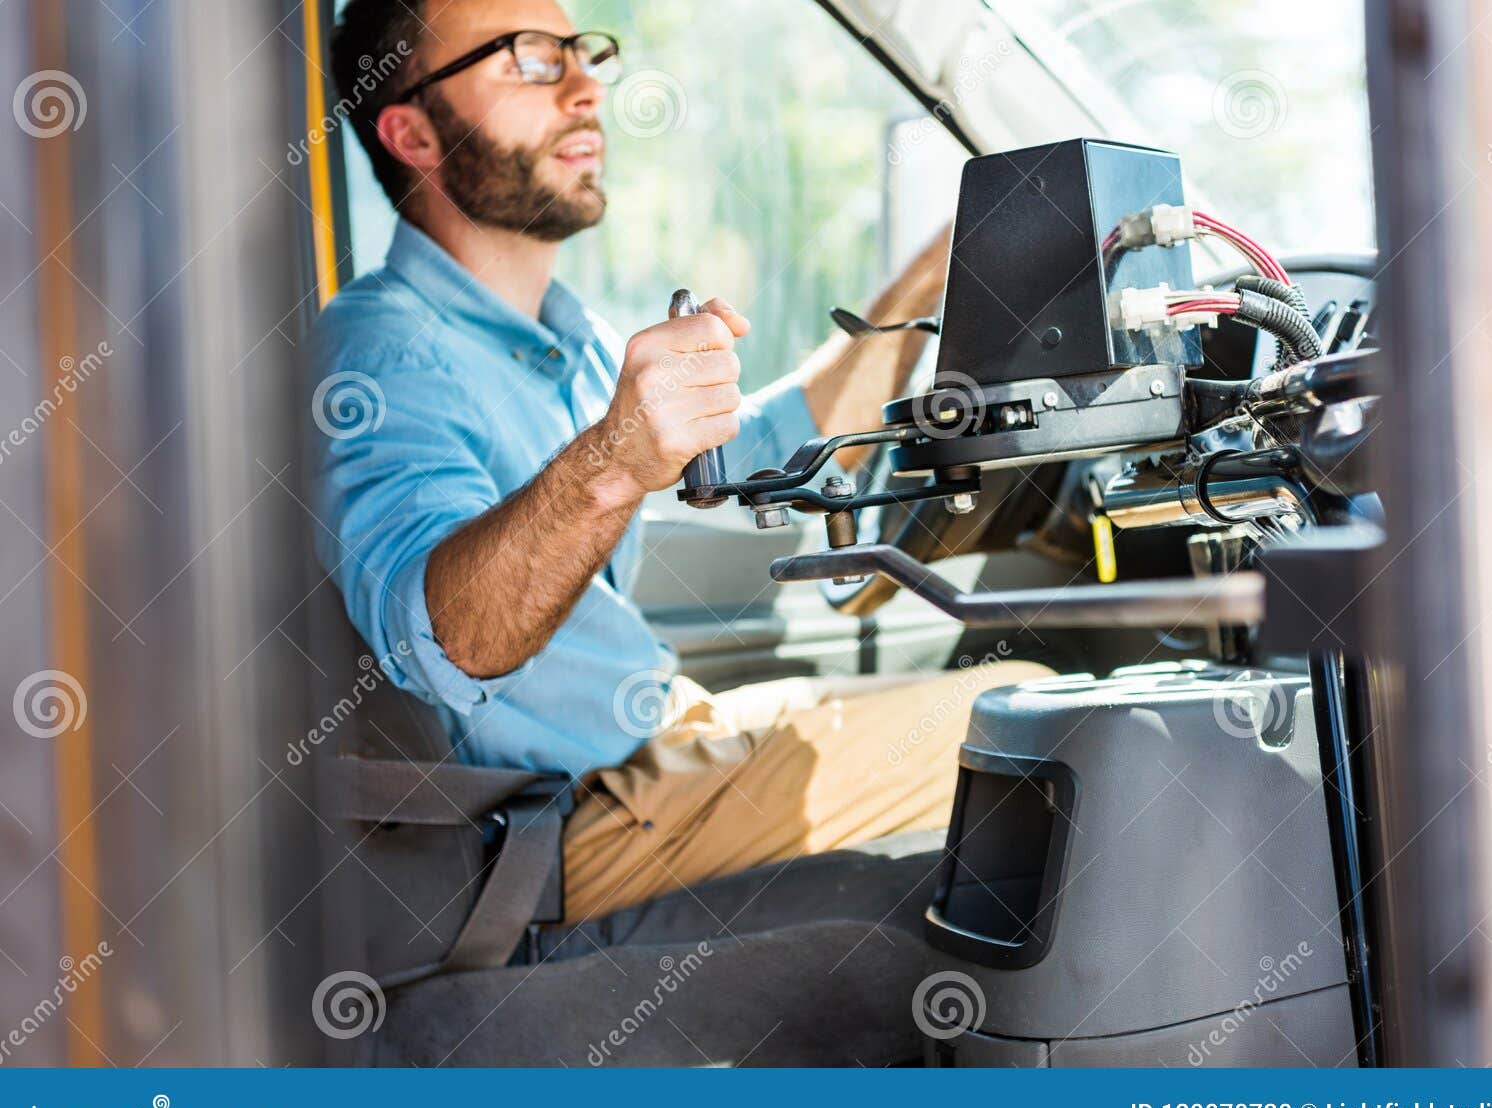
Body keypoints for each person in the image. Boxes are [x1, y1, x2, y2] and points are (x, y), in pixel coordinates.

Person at [313, 0, 1046, 924]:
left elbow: (747, 456)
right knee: (1051, 735)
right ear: (411, 130)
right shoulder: (381, 355)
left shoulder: (553, 337)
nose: (585, 89)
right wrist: (616, 461)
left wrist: (926, 281)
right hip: (563, 824)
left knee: (1026, 708)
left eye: (584, 53)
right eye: (531, 61)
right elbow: (436, 636)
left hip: (664, 736)